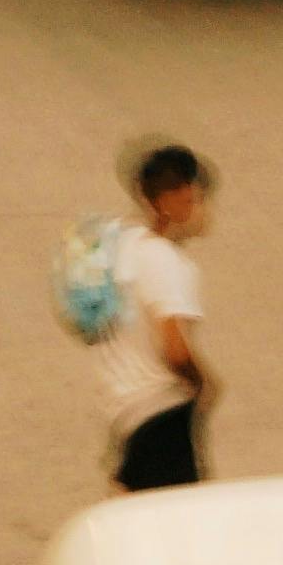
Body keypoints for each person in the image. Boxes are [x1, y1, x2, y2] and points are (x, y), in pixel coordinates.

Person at [97, 142, 216, 493]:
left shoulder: (121, 249)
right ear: (182, 195)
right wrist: (202, 383)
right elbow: (175, 350)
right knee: (175, 531)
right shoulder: (167, 261)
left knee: (133, 512)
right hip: (162, 413)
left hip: (125, 412)